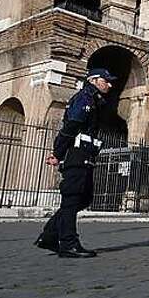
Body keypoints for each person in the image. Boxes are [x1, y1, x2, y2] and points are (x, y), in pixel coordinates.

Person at [35, 67, 117, 258]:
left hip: (86, 155)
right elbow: (70, 127)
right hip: (76, 155)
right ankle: (68, 243)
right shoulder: (84, 99)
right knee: (72, 199)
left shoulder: (94, 100)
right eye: (106, 80)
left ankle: (49, 235)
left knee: (84, 198)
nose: (110, 85)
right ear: (94, 80)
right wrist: (58, 152)